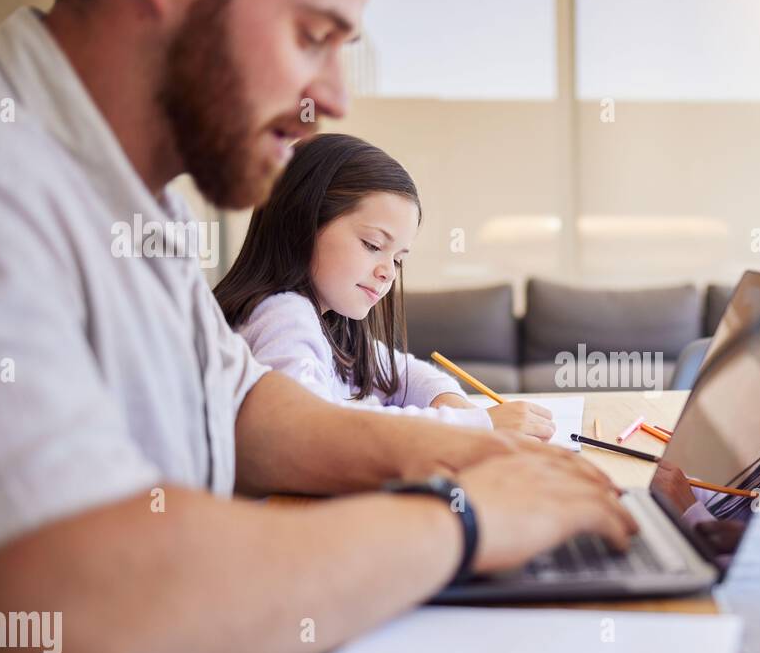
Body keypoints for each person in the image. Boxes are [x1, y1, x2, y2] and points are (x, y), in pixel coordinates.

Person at [0, 0, 634, 653]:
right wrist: (458, 520)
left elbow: (244, 407)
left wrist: (456, 455)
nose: (334, 98)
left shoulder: (143, 198)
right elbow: (70, 618)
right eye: (315, 36)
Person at [215, 132, 555, 439]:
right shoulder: (282, 314)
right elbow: (314, 428)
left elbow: (406, 373)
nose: (388, 273)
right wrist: (479, 424)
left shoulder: (334, 323)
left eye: (398, 259)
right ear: (301, 223)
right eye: (373, 245)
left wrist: (453, 404)